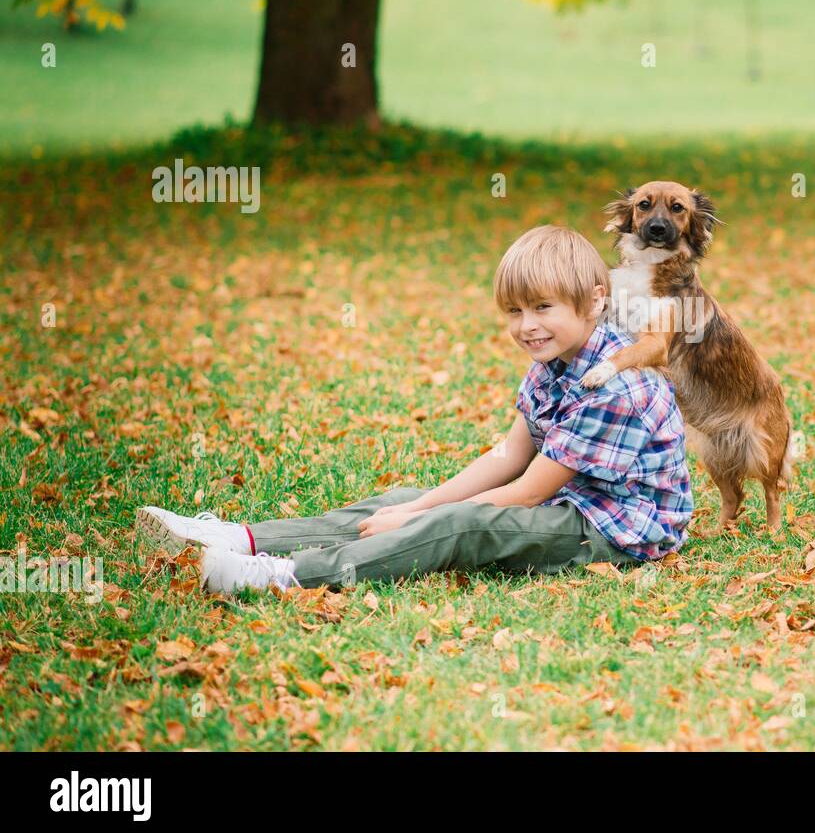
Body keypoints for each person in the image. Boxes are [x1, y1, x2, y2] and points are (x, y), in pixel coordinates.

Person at [136, 225, 693, 595]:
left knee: (463, 524)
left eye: (542, 308)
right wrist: (415, 507)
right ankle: (243, 538)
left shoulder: (618, 383)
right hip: (569, 498)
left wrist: (424, 518)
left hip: (613, 527)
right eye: (515, 311)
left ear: (595, 300)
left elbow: (527, 492)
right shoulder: (554, 359)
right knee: (402, 501)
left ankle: (281, 576)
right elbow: (508, 456)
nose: (526, 326)